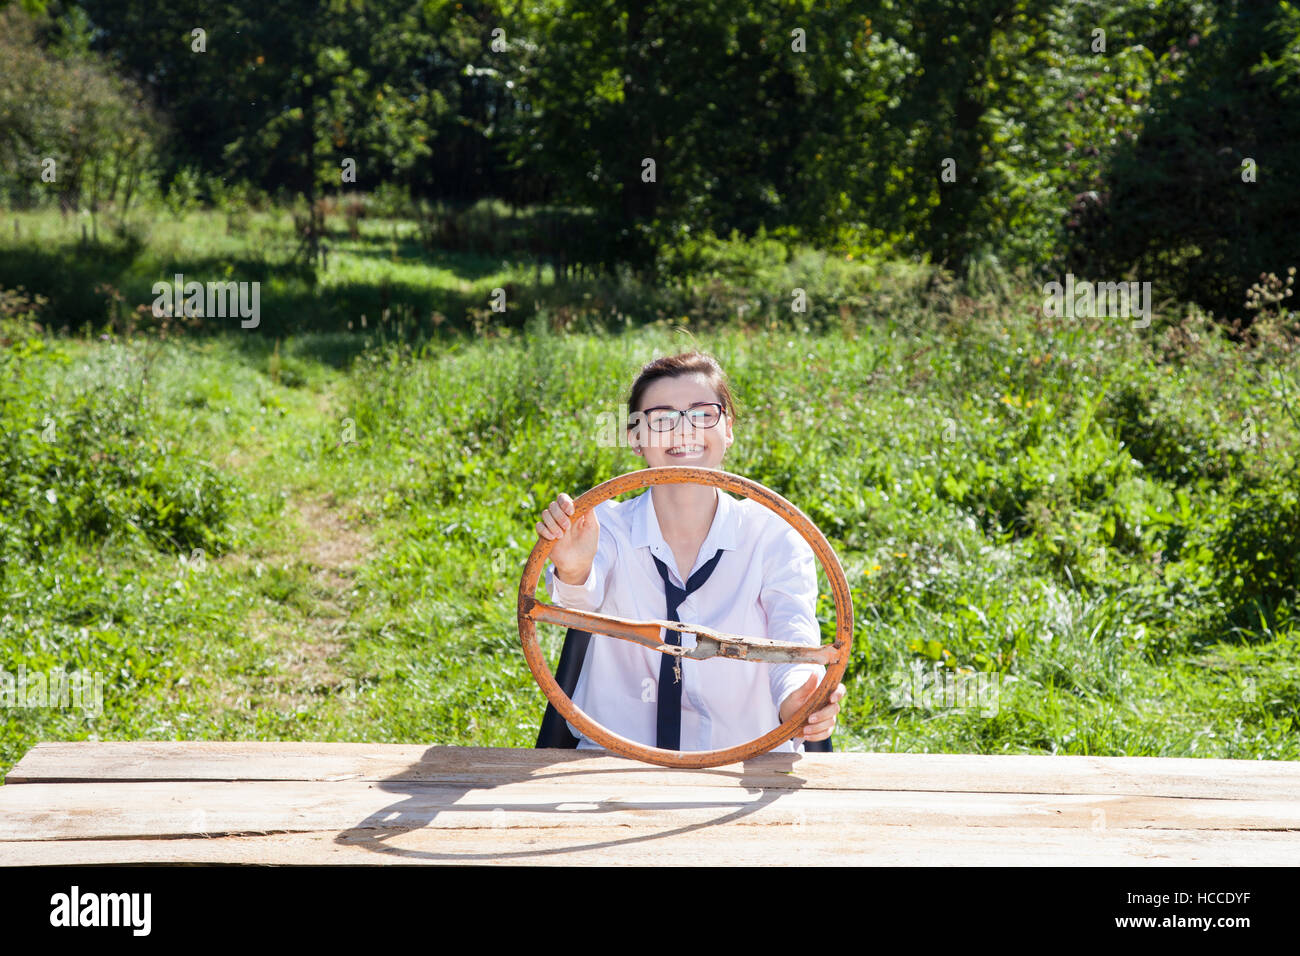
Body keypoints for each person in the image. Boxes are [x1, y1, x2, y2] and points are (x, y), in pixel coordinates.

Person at [534, 349, 846, 753]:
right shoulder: (603, 524)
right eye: (662, 419)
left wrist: (797, 701)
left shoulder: (774, 535)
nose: (684, 432)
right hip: (611, 764)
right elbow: (580, 602)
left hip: (743, 764)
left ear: (728, 428)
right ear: (635, 437)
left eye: (702, 413)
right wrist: (574, 570)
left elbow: (792, 635)